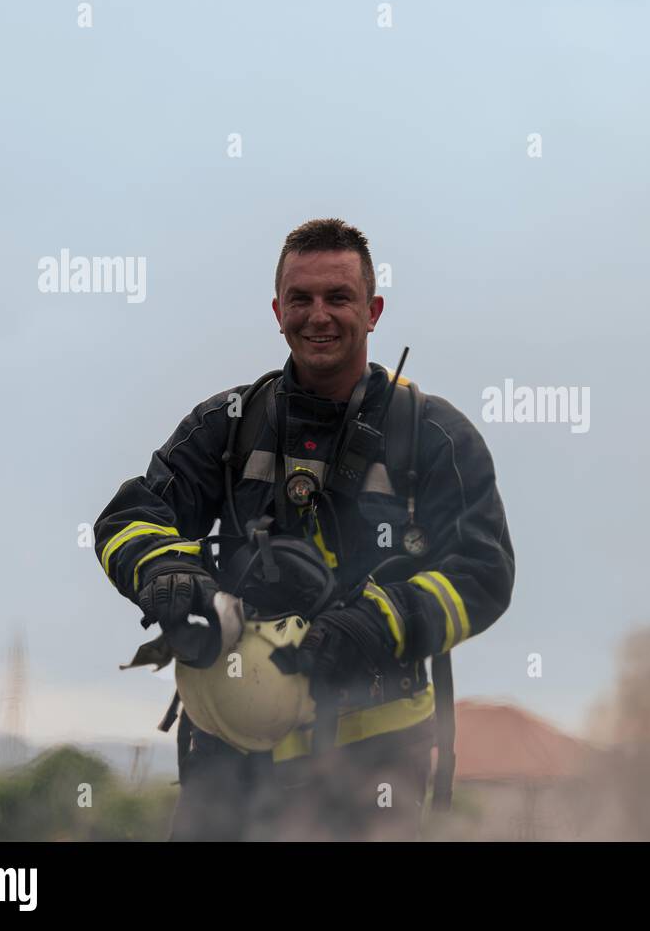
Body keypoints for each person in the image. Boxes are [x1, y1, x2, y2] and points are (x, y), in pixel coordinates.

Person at [93, 218, 515, 840]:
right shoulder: (228, 424)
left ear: (373, 310)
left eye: (338, 298)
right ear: (277, 310)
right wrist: (167, 574)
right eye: (301, 299)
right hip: (229, 759)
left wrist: (380, 623)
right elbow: (130, 518)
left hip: (371, 770)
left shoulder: (433, 436)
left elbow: (484, 573)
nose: (318, 315)